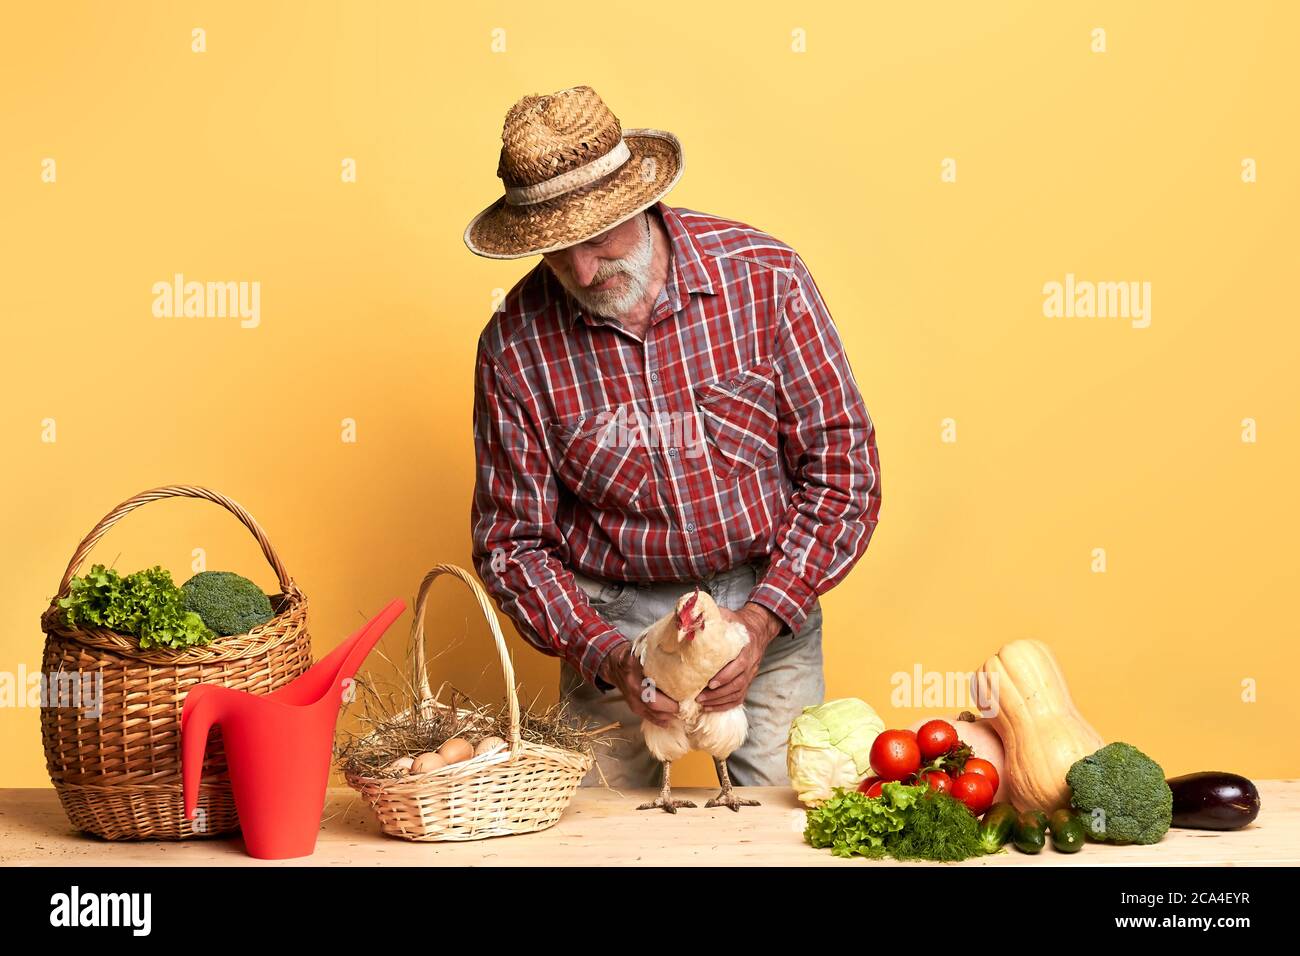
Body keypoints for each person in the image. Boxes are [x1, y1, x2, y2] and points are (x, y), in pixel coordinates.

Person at [465, 85, 881, 789]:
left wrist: (763, 618)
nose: (585, 272)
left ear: (638, 203)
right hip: (610, 623)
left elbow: (843, 472)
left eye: (598, 239)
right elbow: (513, 546)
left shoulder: (765, 279)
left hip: (763, 601)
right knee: (595, 847)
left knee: (781, 837)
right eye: (558, 254)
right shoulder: (514, 346)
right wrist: (607, 656)